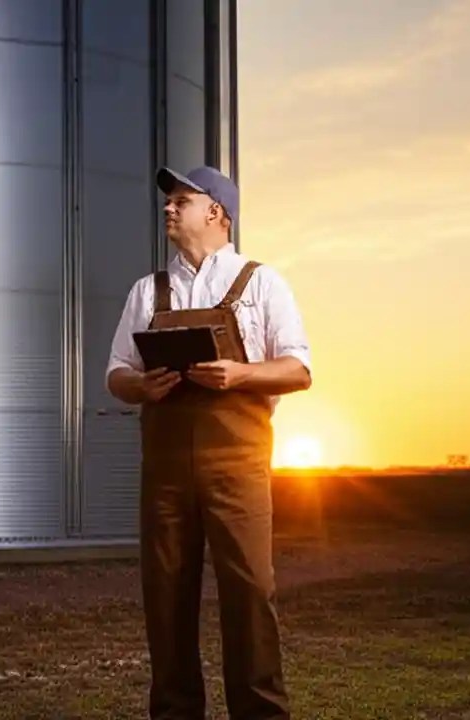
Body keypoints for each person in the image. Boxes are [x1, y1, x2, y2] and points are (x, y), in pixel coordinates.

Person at [106, 165, 313, 720]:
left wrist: (239, 376)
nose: (169, 209)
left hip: (237, 466)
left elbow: (299, 370)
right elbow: (116, 375)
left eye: (181, 201)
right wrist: (142, 384)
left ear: (216, 213)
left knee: (249, 595)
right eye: (168, 202)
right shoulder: (147, 290)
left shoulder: (262, 283)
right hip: (166, 471)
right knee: (166, 599)